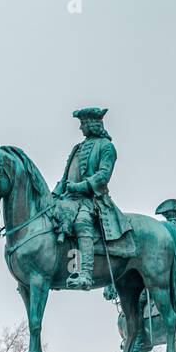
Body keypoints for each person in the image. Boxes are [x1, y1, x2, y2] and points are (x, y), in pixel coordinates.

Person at [53, 107, 128, 290]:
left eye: (83, 124)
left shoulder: (106, 147)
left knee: (81, 222)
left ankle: (85, 274)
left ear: (92, 124)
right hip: (68, 198)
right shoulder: (77, 148)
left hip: (92, 200)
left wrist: (80, 186)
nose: (80, 129)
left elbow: (103, 176)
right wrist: (54, 194)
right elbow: (65, 178)